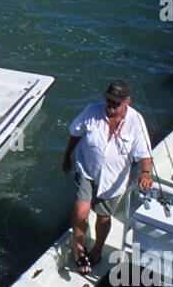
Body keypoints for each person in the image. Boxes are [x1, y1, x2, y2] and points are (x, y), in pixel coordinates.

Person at [61, 80, 153, 274]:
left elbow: (144, 154)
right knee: (81, 209)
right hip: (87, 169)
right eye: (108, 100)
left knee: (103, 217)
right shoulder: (91, 111)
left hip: (113, 180)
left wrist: (145, 173)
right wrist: (67, 157)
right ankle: (79, 251)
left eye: (116, 103)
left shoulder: (137, 121)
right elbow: (75, 134)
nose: (111, 105)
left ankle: (96, 250)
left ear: (127, 102)